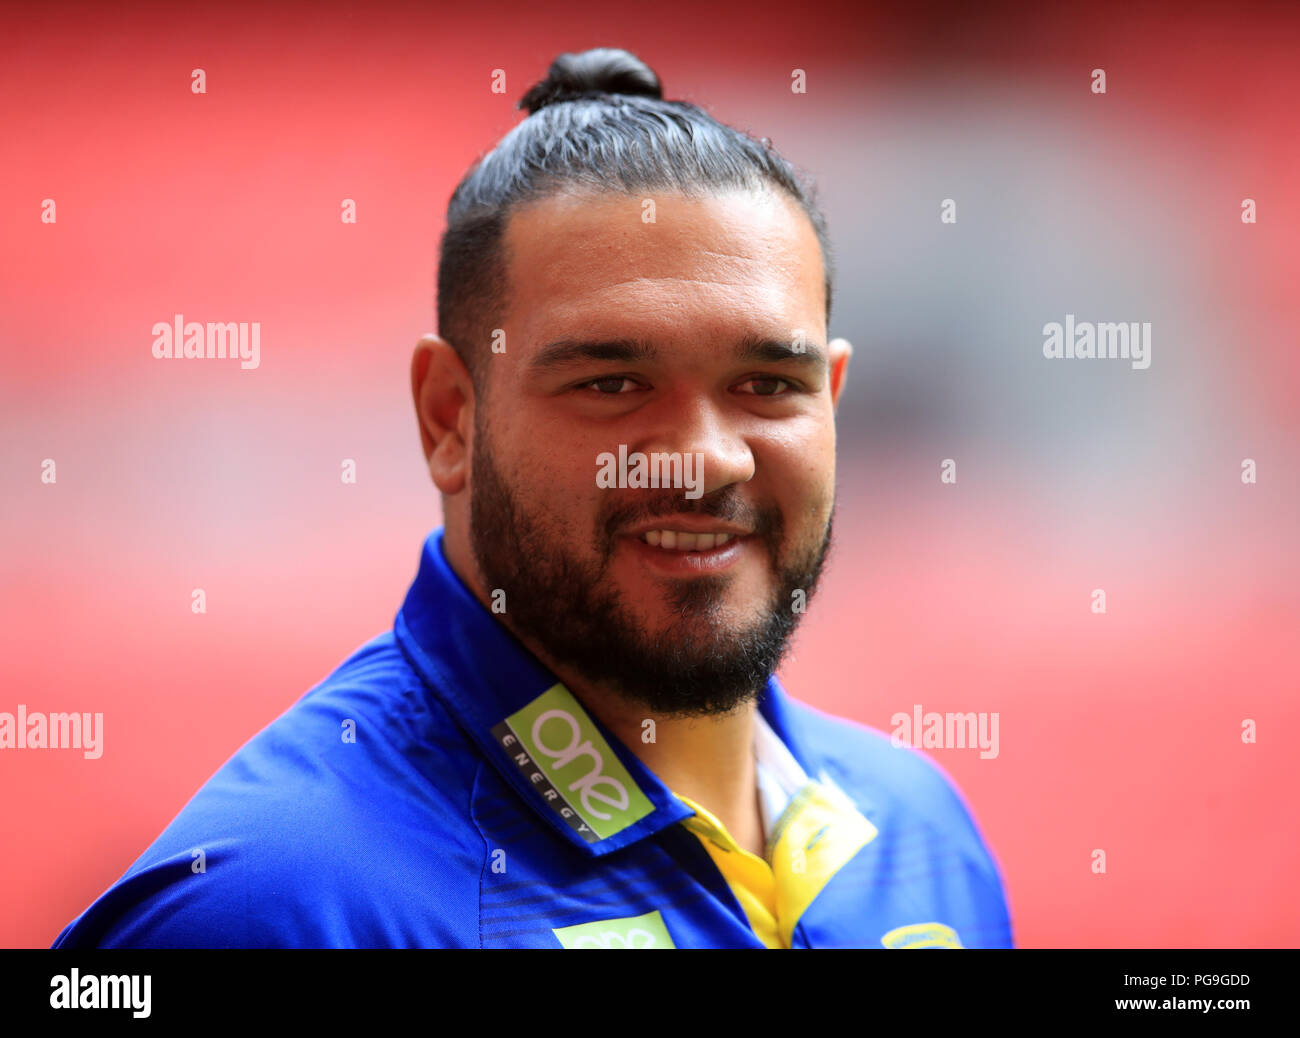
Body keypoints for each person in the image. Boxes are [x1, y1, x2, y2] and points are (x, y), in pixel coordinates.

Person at [53, 47, 1013, 949]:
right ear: (449, 419)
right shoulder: (271, 908)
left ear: (833, 401)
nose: (706, 461)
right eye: (611, 384)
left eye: (768, 385)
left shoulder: (922, 835)